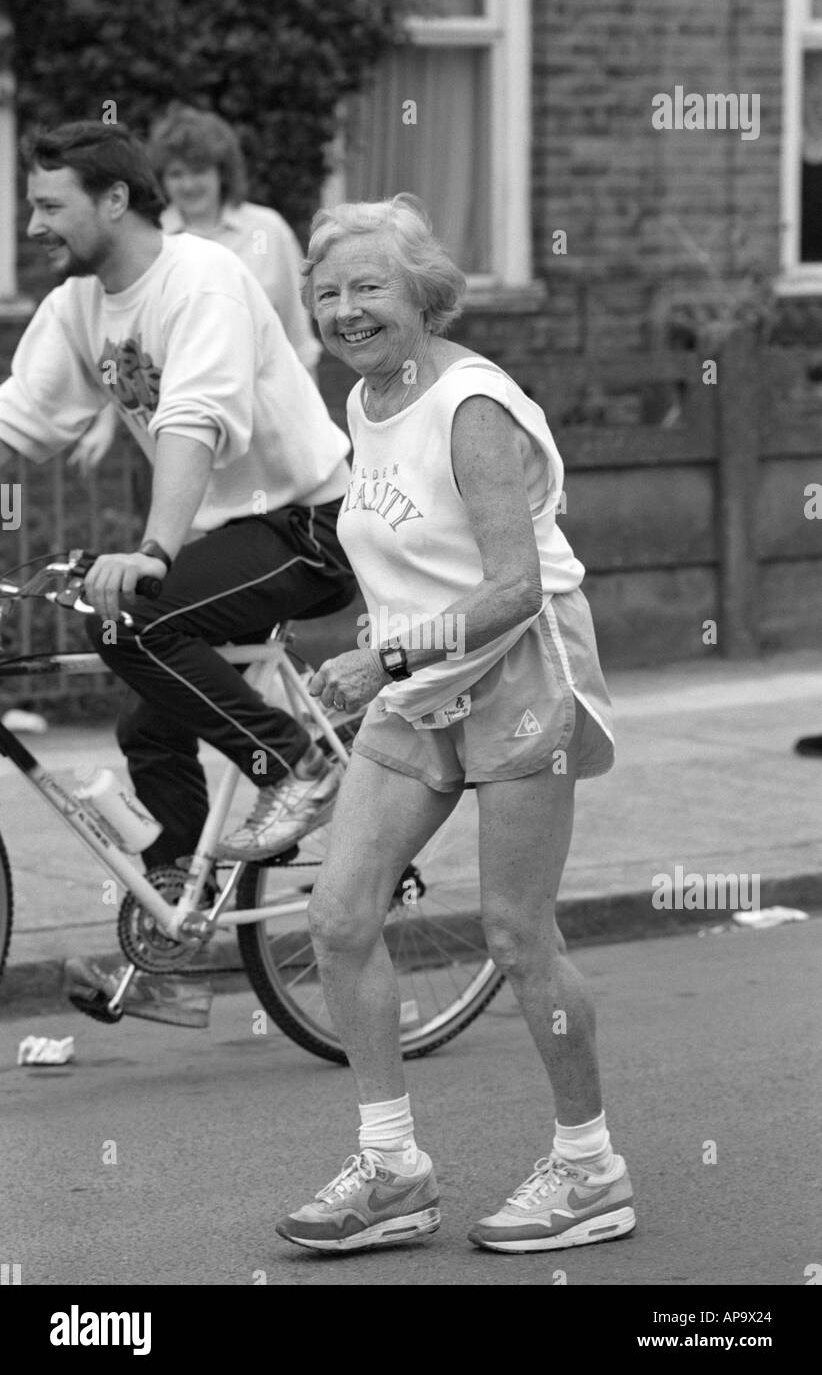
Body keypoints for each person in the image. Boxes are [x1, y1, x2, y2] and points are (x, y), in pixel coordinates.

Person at [274, 194, 635, 1256]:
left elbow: (514, 586)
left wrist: (383, 653)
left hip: (522, 668)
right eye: (328, 293)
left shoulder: (470, 402)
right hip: (424, 678)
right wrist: (377, 648)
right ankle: (392, 1170)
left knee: (519, 934)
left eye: (369, 288)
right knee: (339, 915)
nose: (346, 310)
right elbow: (409, 551)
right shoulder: (368, 399)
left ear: (422, 294)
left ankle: (589, 1166)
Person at [0, 121, 356, 1027]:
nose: (30, 223)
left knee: (130, 624)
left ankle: (299, 765)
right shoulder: (81, 303)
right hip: (225, 538)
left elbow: (193, 421)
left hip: (305, 524)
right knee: (148, 729)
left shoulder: (201, 281)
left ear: (114, 199)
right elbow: (16, 427)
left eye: (49, 204)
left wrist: (155, 555)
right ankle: (174, 935)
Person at [70, 104, 320, 473]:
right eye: (176, 173)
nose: (189, 184)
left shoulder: (268, 231)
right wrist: (104, 422)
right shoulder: (149, 243)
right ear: (161, 180)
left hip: (265, 429)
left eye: (200, 171)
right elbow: (121, 341)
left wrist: (312, 424)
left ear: (222, 172)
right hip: (172, 432)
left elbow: (299, 339)